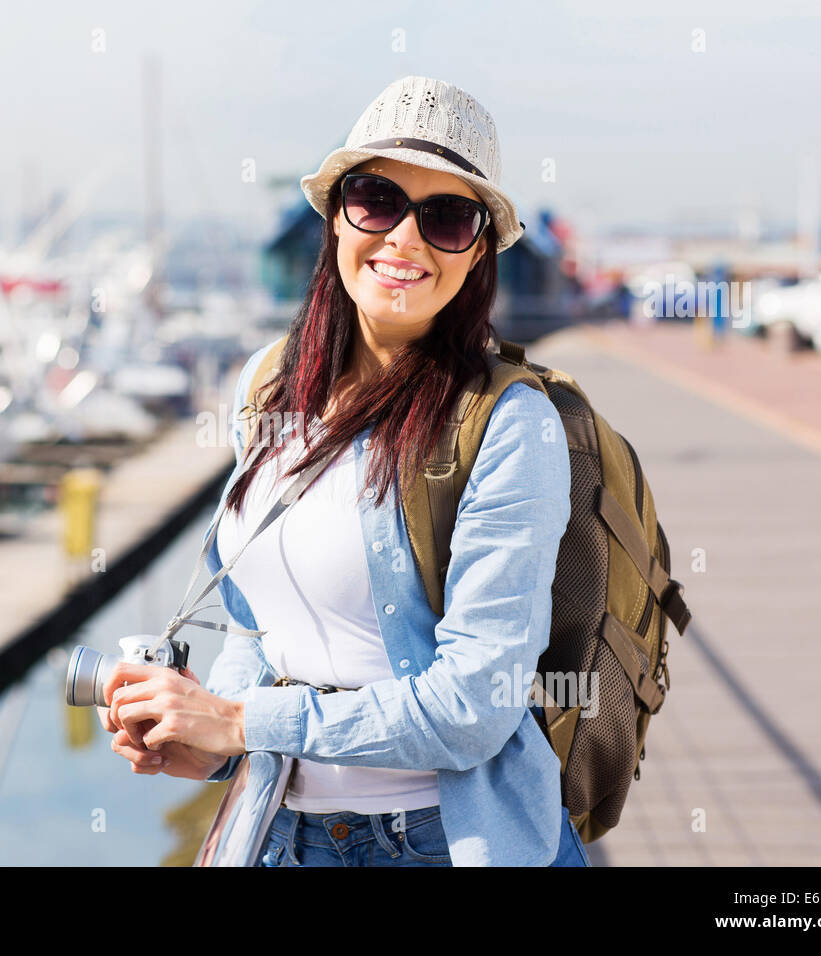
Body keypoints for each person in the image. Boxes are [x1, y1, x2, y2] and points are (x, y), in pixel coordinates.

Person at [100, 75, 588, 867]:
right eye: (377, 199)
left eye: (448, 217)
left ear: (479, 253)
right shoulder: (268, 383)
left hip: (439, 840)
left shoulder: (508, 424)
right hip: (278, 832)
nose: (404, 240)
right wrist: (205, 738)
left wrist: (241, 723)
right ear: (335, 217)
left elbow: (473, 707)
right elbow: (258, 631)